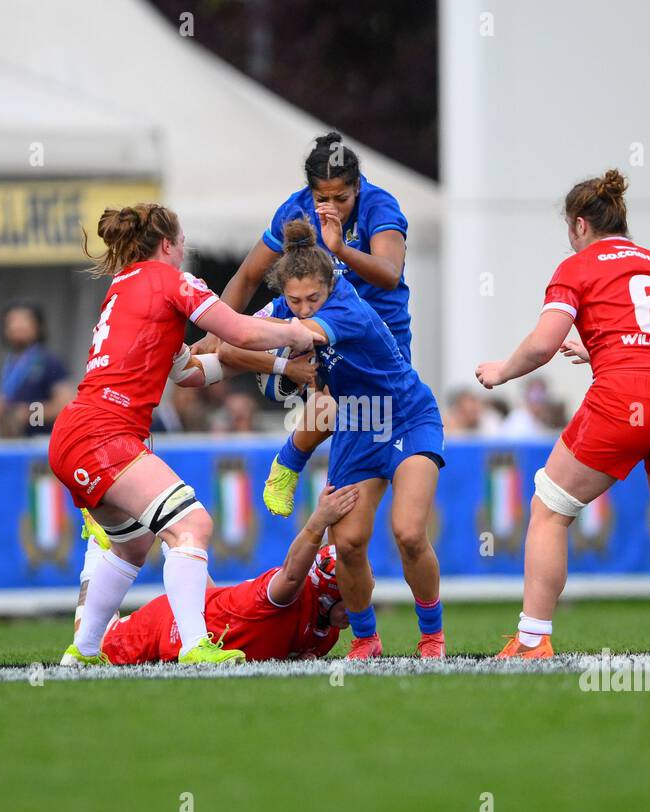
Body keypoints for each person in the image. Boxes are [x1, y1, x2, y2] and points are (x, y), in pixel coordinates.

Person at [475, 169, 650, 659]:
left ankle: (533, 638)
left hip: (626, 398)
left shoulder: (578, 266)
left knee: (549, 510)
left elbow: (542, 345)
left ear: (580, 225)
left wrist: (501, 372)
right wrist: (600, 349)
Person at [49, 202, 318, 666]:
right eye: (183, 243)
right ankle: (196, 645)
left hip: (78, 432)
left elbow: (188, 371)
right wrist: (299, 333)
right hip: (104, 433)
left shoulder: (125, 287)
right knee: (192, 524)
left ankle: (84, 651)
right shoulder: (171, 280)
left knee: (132, 544)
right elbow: (237, 330)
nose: (186, 250)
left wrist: (277, 364)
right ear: (169, 244)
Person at [226, 218, 446, 659]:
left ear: (331, 286)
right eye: (294, 300)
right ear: (284, 293)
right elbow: (230, 342)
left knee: (408, 532)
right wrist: (203, 351)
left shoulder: (346, 309)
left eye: (313, 299)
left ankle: (432, 635)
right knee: (345, 543)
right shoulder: (289, 309)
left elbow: (256, 336)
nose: (304, 307)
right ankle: (366, 639)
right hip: (358, 425)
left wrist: (255, 350)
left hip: (405, 416)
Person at [211, 133, 423, 518]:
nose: (331, 208)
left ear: (357, 187)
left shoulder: (380, 206)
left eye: (341, 199)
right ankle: (288, 450)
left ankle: (290, 461)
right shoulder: (294, 210)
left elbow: (390, 274)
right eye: (321, 198)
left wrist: (341, 248)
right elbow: (246, 277)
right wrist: (212, 331)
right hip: (313, 319)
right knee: (224, 349)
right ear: (310, 191)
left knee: (351, 403)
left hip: (375, 331)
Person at [82, 485, 357, 665]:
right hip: (170, 624)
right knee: (92, 643)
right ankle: (99, 542)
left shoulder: (328, 633)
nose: (355, 607)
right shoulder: (287, 591)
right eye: (347, 597)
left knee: (213, 601)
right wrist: (319, 520)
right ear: (324, 593)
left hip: (211, 614)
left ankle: (168, 546)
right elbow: (293, 575)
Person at [0, 303, 72, 437]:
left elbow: (66, 405)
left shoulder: (50, 361)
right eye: (12, 321)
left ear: (38, 326)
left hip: (43, 446)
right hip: (16, 445)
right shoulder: (8, 364)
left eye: (24, 320)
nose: (17, 326)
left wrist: (30, 413)